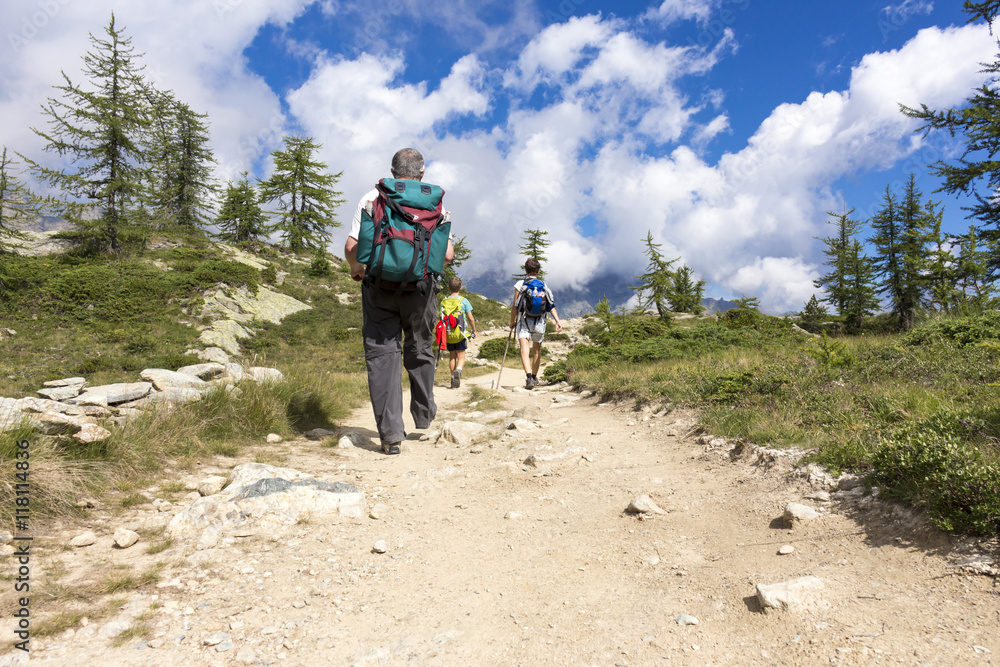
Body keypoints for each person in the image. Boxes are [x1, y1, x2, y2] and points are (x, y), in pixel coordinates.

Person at [344, 148, 454, 455]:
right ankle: (423, 414)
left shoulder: (372, 198)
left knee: (382, 355)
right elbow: (445, 256)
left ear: (393, 172)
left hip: (379, 287)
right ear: (421, 173)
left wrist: (356, 269)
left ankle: (391, 436)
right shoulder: (436, 204)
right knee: (420, 347)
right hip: (420, 290)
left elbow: (352, 245)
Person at [510, 258, 561, 389]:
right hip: (540, 321)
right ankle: (534, 377)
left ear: (526, 270)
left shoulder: (520, 284)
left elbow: (515, 305)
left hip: (524, 321)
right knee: (536, 351)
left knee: (524, 350)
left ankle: (528, 378)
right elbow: (551, 305)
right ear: (538, 271)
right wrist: (557, 321)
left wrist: (512, 321)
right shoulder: (543, 285)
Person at [441, 276, 477, 389]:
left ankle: (452, 378)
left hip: (448, 333)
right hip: (460, 333)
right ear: (460, 288)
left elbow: (440, 318)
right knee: (461, 356)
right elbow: (470, 318)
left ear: (448, 288)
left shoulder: (444, 301)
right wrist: (474, 330)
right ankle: (459, 370)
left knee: (452, 356)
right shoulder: (464, 301)